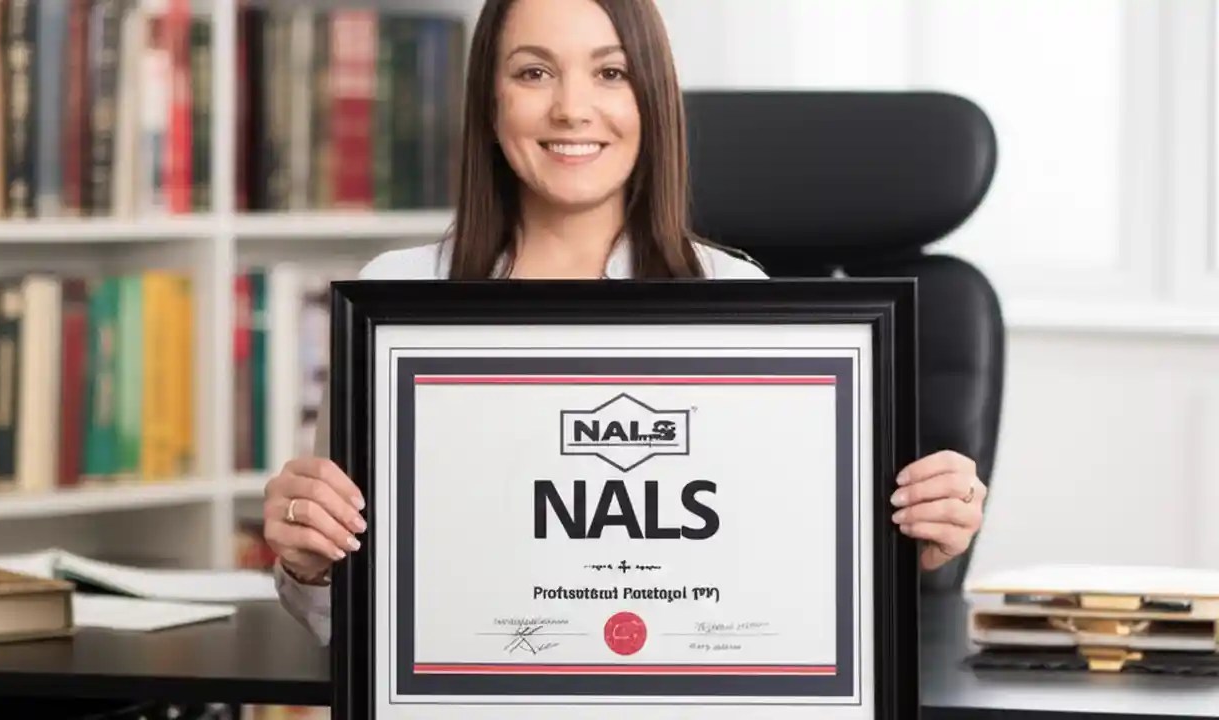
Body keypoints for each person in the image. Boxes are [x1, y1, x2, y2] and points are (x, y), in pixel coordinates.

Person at [262, 0, 988, 646]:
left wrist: (904, 544)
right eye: (533, 73)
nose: (572, 109)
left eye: (610, 73)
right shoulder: (396, 298)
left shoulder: (741, 302)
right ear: (489, 103)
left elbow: (781, 589)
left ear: (652, 102)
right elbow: (344, 625)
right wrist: (310, 561)